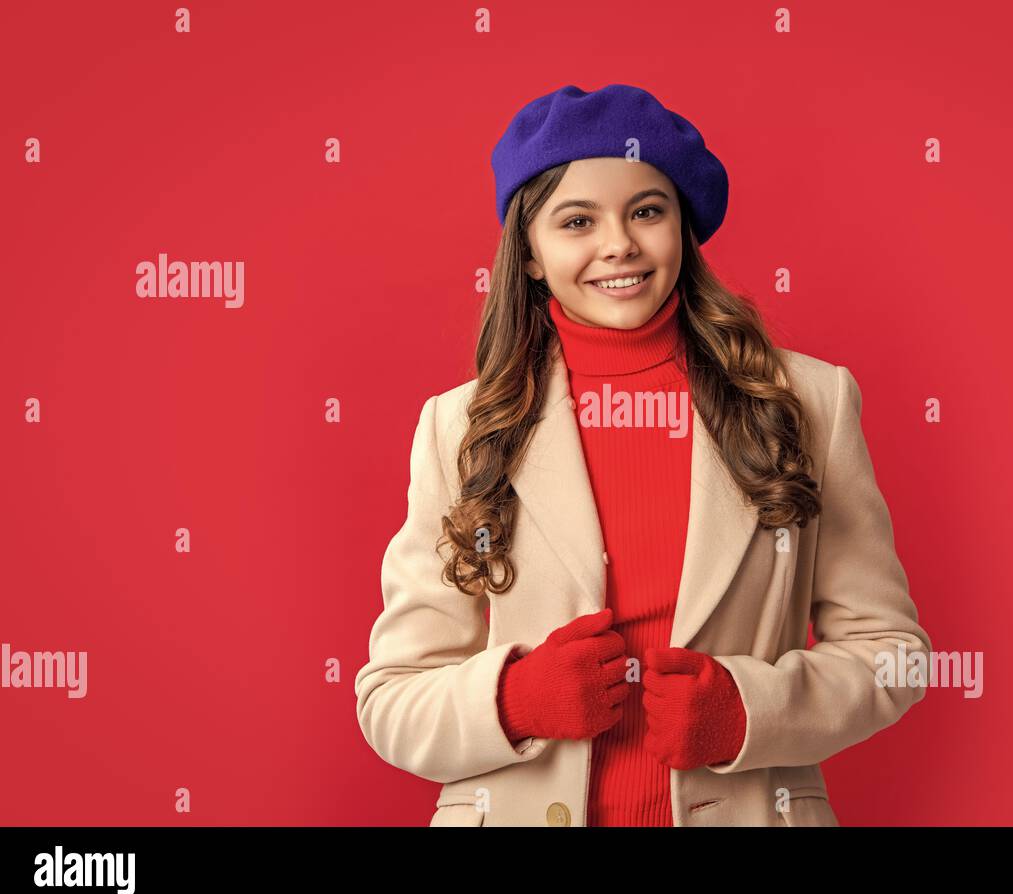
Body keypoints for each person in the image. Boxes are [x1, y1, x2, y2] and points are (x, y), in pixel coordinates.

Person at [354, 83, 931, 827]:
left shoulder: (810, 404)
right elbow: (391, 698)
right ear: (529, 254)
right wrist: (514, 700)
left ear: (681, 231)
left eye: (646, 212)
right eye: (576, 221)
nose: (618, 243)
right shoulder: (456, 428)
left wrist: (748, 712)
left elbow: (896, 656)